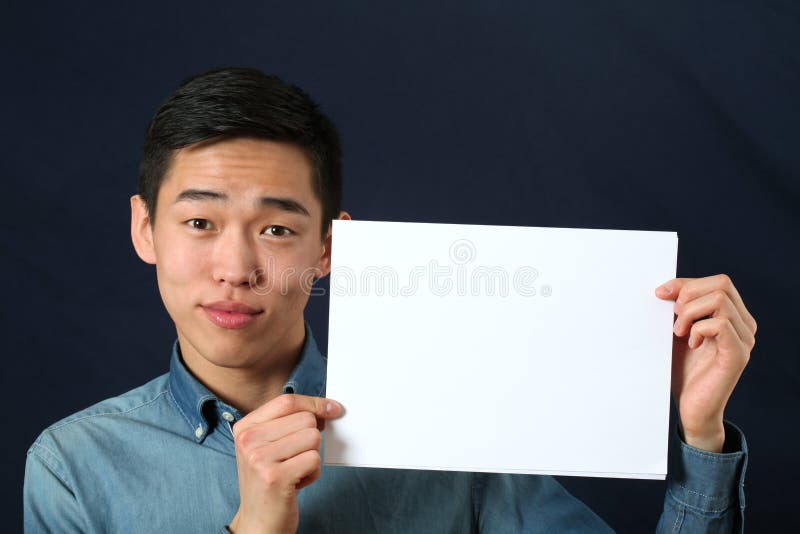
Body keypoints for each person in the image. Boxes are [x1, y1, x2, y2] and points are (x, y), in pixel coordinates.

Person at [23, 67, 755, 533]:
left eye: (276, 228)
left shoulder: (453, 423)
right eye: (199, 223)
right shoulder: (75, 466)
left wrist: (702, 436)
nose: (237, 268)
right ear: (144, 229)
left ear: (330, 249)